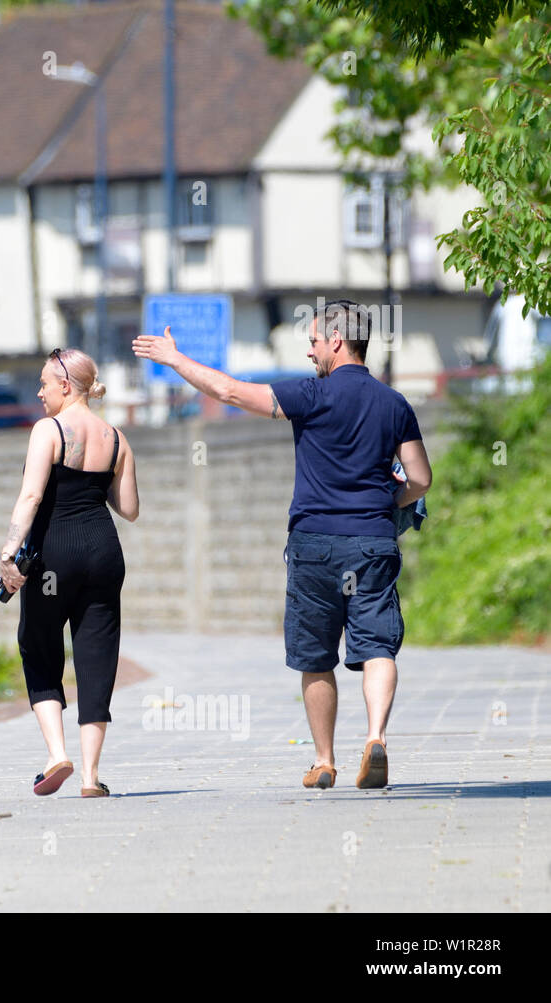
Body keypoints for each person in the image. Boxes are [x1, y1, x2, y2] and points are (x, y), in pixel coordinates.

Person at [133, 299, 432, 790]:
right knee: (378, 646)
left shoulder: (309, 394)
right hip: (373, 542)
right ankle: (375, 736)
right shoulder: (394, 403)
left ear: (336, 341)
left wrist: (174, 359)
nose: (310, 352)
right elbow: (420, 478)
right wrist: (389, 504)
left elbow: (229, 390)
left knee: (316, 656)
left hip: (315, 544)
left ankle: (324, 761)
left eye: (314, 342)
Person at [0, 347, 139, 798]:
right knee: (97, 655)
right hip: (103, 553)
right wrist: (95, 483)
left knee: (38, 645)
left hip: (54, 557)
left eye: (43, 384)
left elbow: (31, 497)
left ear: (64, 385)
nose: (39, 393)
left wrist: (9, 553)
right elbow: (129, 508)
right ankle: (91, 777)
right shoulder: (116, 438)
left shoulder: (49, 430)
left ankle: (57, 754)